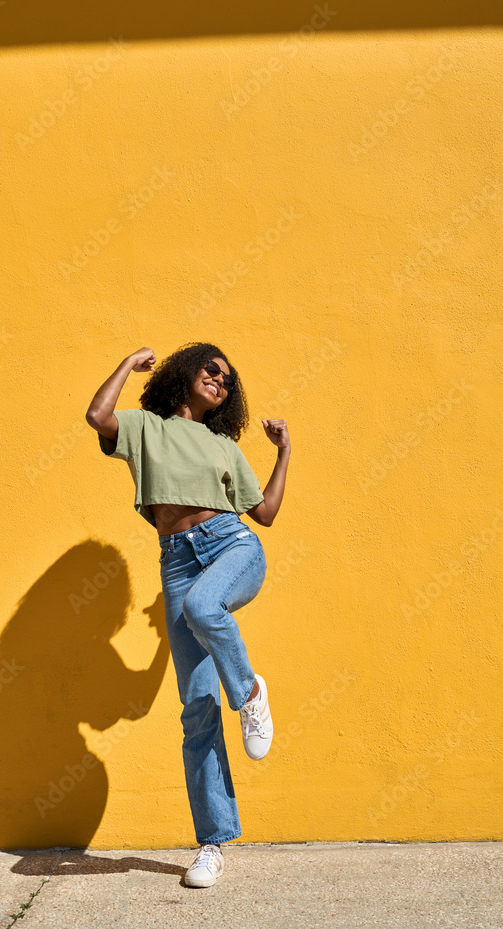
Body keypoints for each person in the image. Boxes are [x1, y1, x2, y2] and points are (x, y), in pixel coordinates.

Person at [85, 342, 291, 887]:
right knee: (197, 707)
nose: (220, 380)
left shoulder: (222, 444)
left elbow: (264, 514)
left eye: (229, 379)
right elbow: (96, 416)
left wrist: (284, 451)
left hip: (231, 546)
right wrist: (130, 363)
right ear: (185, 372)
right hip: (176, 561)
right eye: (211, 369)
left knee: (205, 608)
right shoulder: (146, 428)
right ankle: (212, 844)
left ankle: (248, 693)